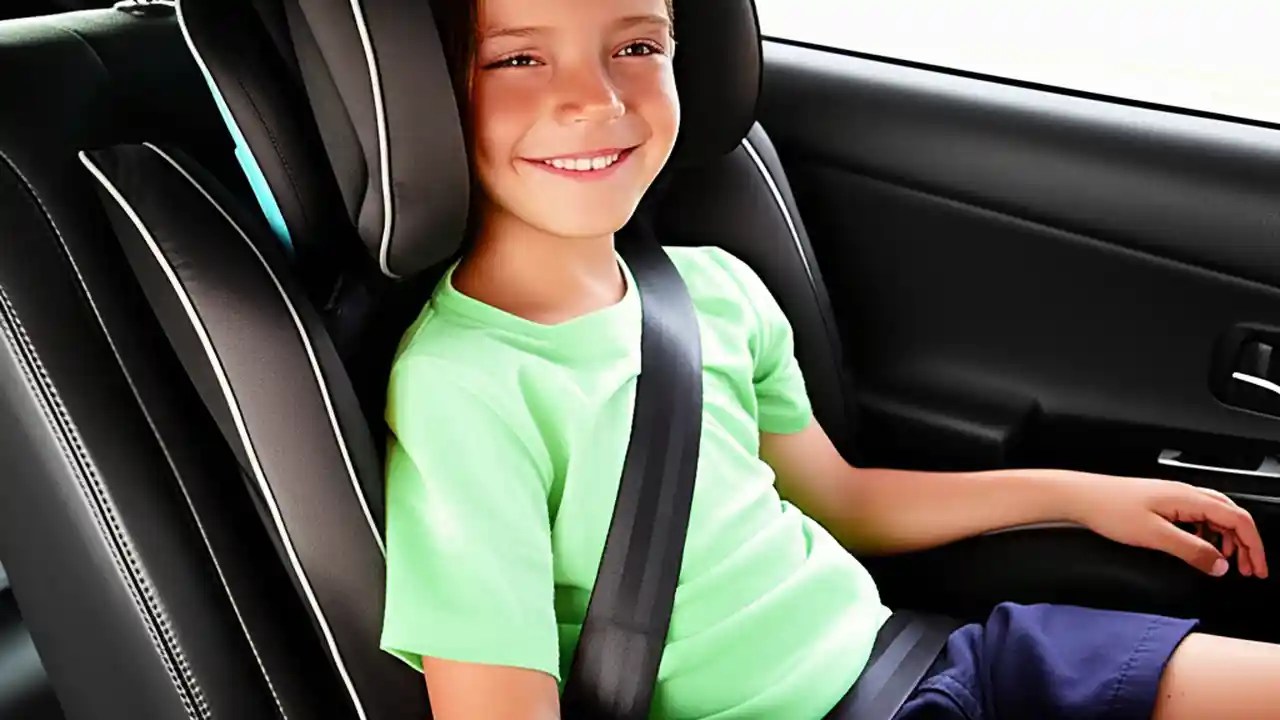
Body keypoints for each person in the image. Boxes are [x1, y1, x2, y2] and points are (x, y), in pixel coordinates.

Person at [377, 1, 1280, 718]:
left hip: (933, 659)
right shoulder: (462, 388)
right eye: (518, 59)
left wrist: (1080, 495)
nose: (600, 100)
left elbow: (840, 500)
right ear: (432, 93)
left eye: (638, 47)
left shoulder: (714, 290)